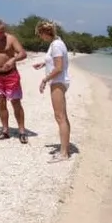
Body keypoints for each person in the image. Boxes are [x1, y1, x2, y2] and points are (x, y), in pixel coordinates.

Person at [33, 21, 72, 163]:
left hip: (58, 82)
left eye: (40, 35)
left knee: (60, 117)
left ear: (45, 33)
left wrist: (45, 80)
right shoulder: (57, 42)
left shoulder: (55, 45)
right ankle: (65, 148)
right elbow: (56, 62)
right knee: (63, 116)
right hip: (60, 81)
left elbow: (59, 67)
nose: (40, 37)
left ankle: (63, 153)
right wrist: (43, 64)